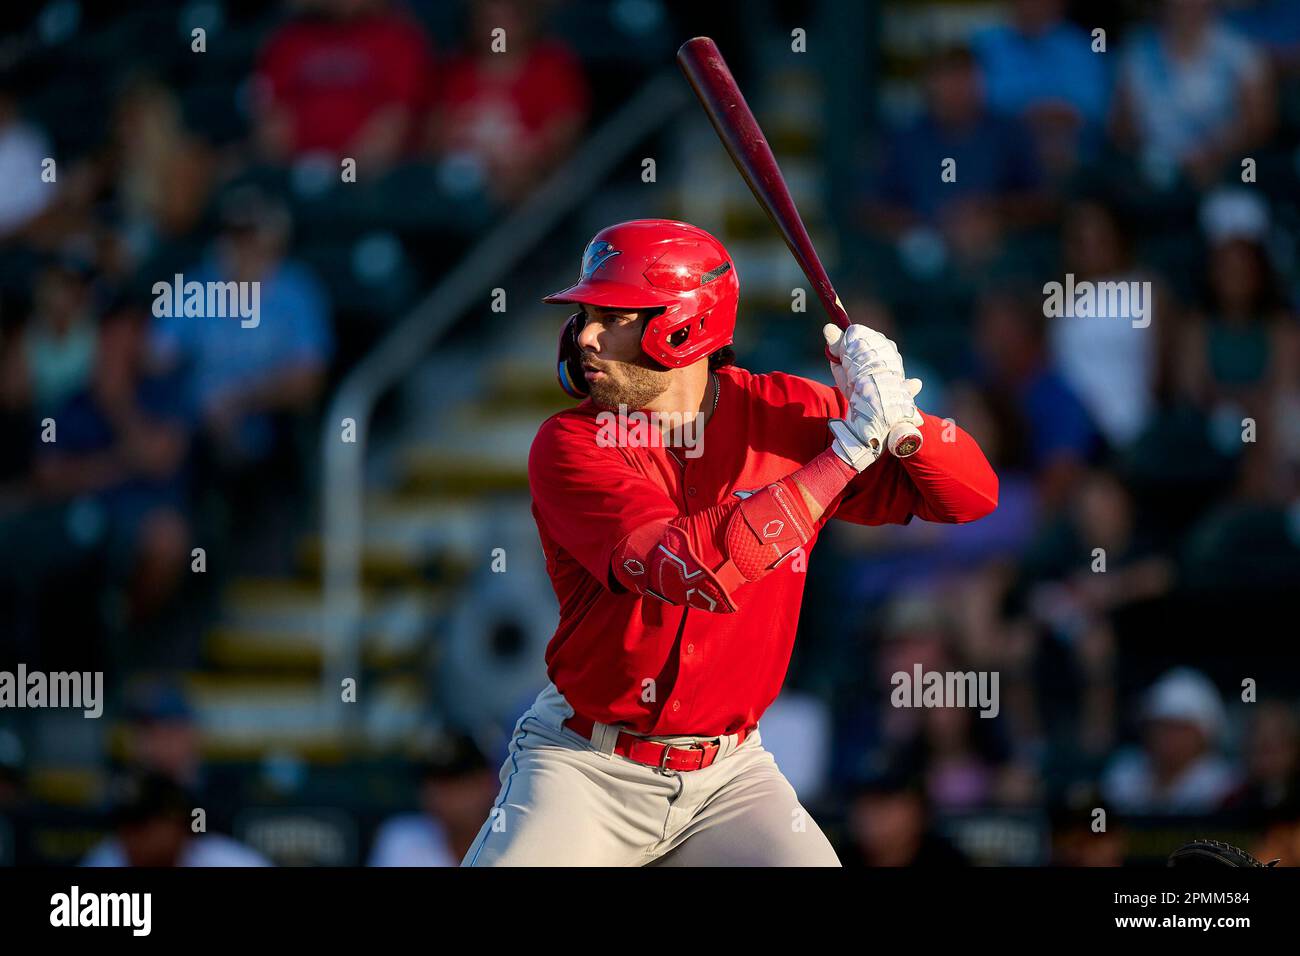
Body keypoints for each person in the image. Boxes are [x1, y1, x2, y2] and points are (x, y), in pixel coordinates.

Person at [462, 220, 998, 866]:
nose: (587, 336)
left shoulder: (784, 414)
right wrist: (845, 456)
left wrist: (907, 424)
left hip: (729, 775)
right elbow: (689, 569)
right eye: (586, 314)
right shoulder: (571, 444)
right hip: (588, 766)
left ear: (683, 326)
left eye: (613, 315)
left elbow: (973, 495)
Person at [368, 732, 498, 866]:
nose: (440, 794)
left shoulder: (515, 839)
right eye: (433, 782)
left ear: (487, 783)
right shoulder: (401, 838)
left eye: (455, 781)